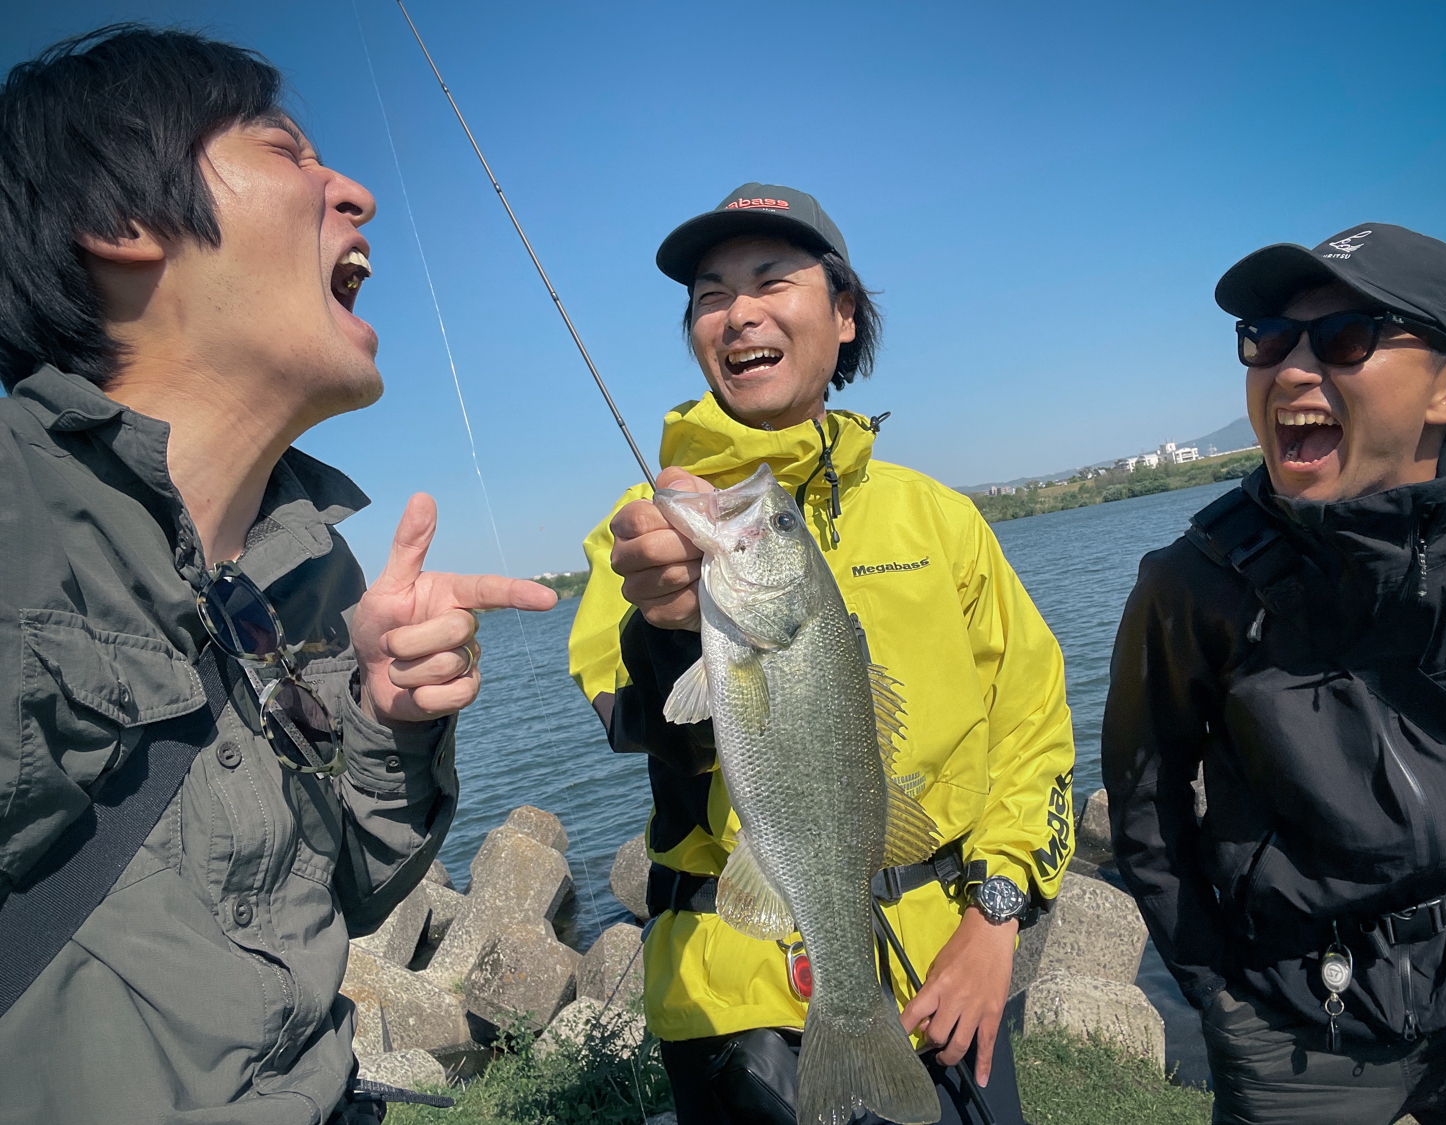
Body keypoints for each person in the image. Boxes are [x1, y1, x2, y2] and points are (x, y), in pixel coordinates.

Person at [0, 25, 556, 1123]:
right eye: (286, 149)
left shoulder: (309, 572)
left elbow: (345, 886)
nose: (356, 194)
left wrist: (388, 725)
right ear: (119, 224)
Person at [567, 183, 1076, 1124]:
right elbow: (638, 724)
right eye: (710, 294)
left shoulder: (942, 519)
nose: (739, 312)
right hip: (732, 1008)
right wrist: (668, 623)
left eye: (771, 280)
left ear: (845, 315)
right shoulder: (639, 534)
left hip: (941, 979)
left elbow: (1035, 722)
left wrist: (996, 915)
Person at [1102, 222, 1446, 1123]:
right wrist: (1223, 998)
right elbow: (1144, 806)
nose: (1287, 368)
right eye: (1267, 337)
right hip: (1293, 1029)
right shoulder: (1192, 582)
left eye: (1346, 336)